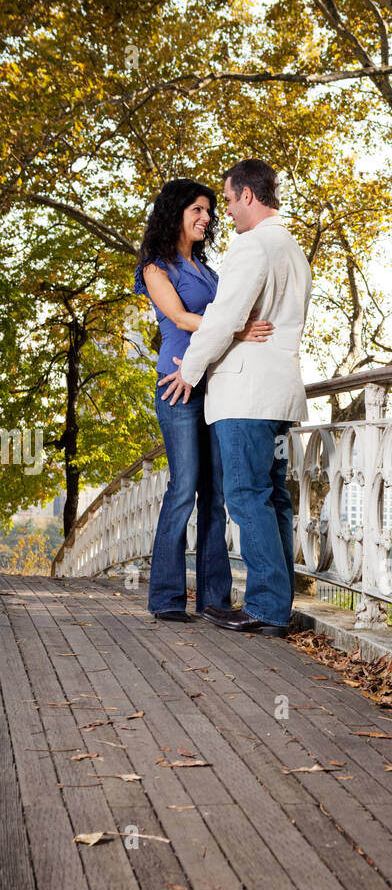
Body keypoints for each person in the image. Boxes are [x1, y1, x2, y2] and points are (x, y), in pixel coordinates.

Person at [158, 158, 312, 639]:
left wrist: (192, 370)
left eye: (225, 199)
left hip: (245, 395)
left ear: (248, 195)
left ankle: (266, 608)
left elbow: (224, 319)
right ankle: (277, 604)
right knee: (274, 501)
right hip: (280, 392)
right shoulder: (293, 249)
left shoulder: (251, 248)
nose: (224, 210)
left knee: (247, 499)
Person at [135, 178, 274, 622]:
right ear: (175, 212)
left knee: (214, 494)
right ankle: (167, 599)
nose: (207, 217)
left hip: (213, 388)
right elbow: (177, 316)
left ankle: (215, 600)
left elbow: (230, 312)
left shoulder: (210, 272)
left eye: (210, 211)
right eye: (197, 209)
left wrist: (236, 326)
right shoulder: (156, 267)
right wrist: (234, 329)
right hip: (177, 387)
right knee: (183, 489)